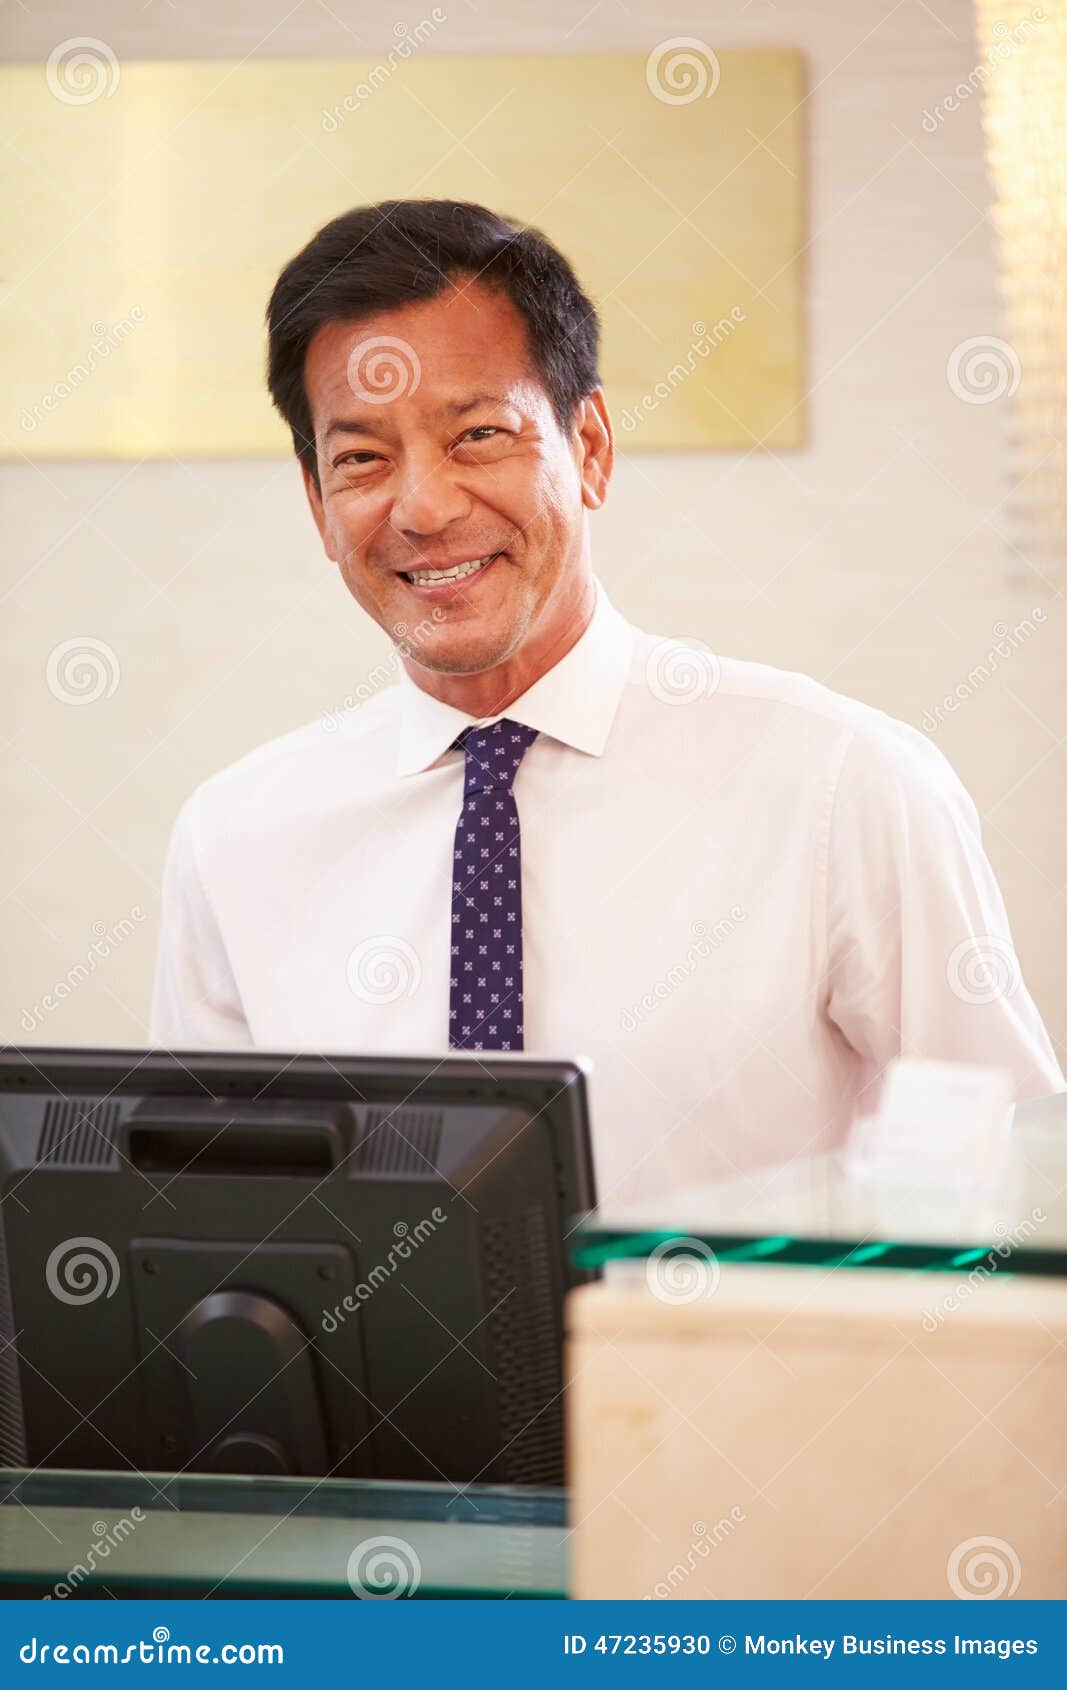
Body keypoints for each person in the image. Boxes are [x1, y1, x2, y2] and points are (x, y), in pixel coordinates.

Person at [149, 199, 1062, 1207]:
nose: (422, 507)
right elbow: (213, 1232)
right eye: (361, 458)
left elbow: (1010, 1197)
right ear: (319, 505)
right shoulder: (236, 837)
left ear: (587, 447)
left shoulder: (840, 786)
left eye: (477, 435)